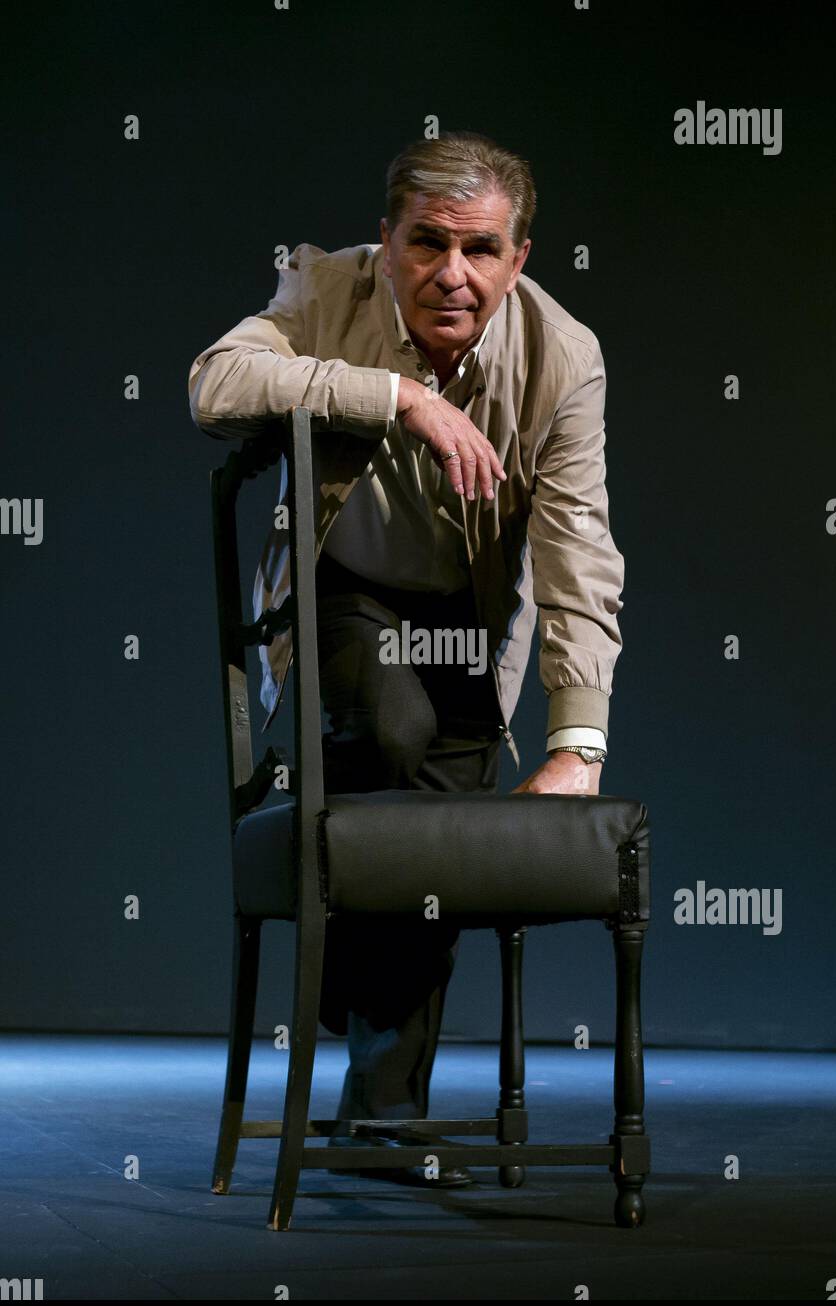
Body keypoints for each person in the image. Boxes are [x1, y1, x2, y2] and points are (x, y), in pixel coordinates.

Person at [188, 130, 625, 1187]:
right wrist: (400, 399)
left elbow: (576, 554)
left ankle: (377, 1116)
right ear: (385, 241)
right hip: (342, 594)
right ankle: (345, 994)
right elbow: (215, 383)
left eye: (480, 249)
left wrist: (577, 744)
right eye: (425, 243)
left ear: (519, 258)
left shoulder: (563, 357)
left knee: (440, 835)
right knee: (393, 726)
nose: (451, 273)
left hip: (470, 625)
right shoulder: (323, 287)